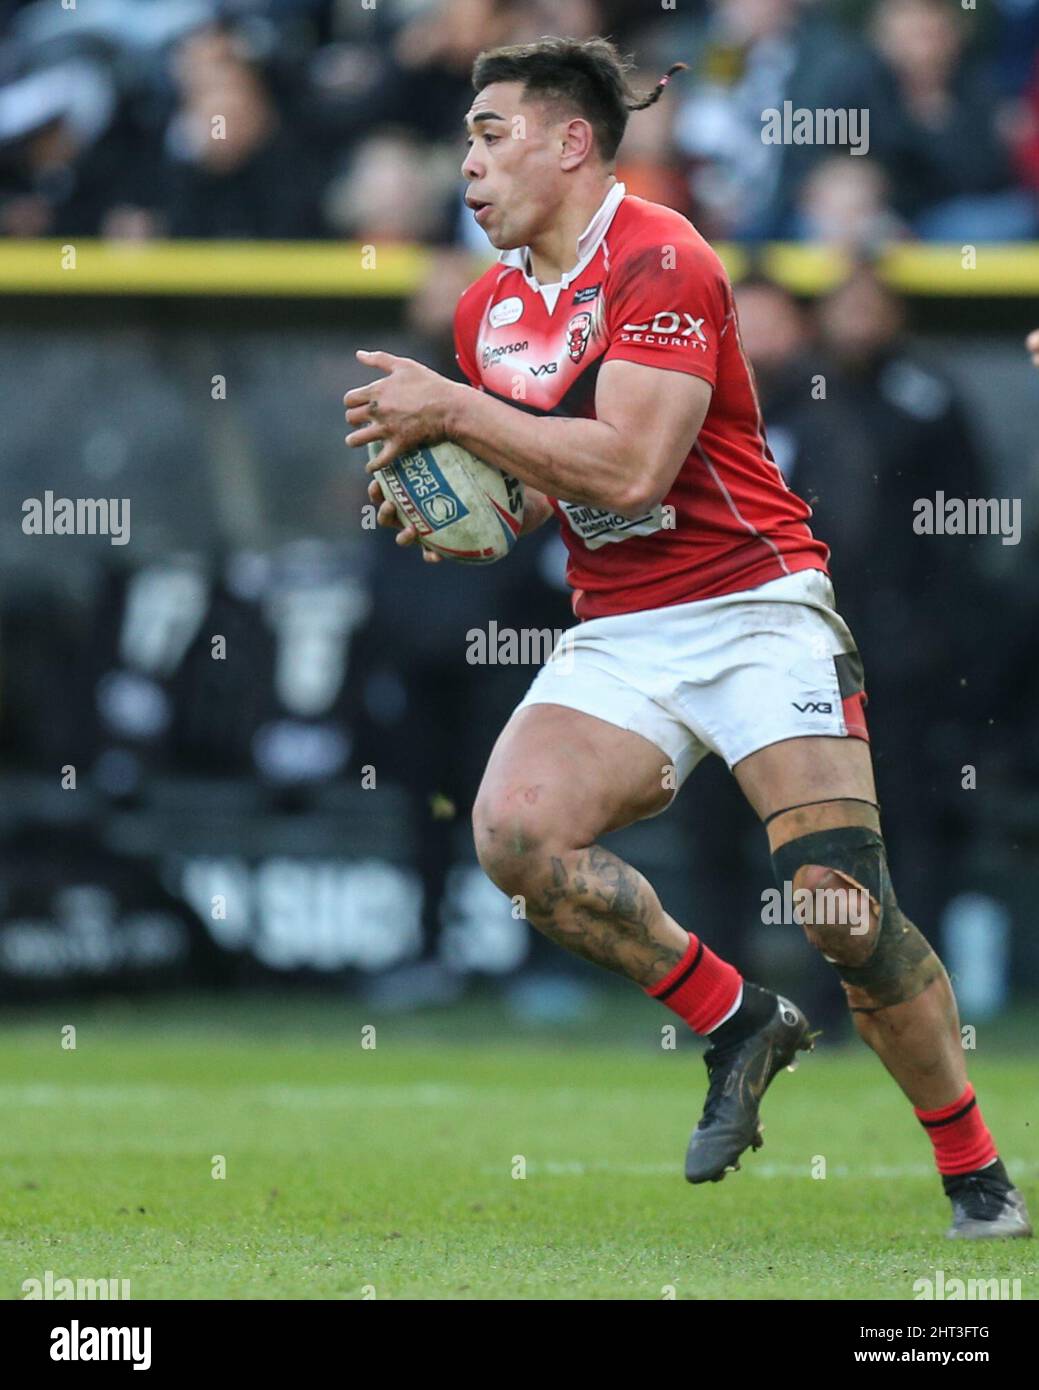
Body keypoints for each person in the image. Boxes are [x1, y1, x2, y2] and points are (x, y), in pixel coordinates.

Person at [345, 36, 1031, 1239]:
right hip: (622, 625)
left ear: (570, 142)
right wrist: (457, 506)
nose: (466, 164)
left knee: (839, 910)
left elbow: (634, 460)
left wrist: (454, 411)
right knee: (512, 835)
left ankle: (976, 1169)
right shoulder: (487, 308)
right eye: (462, 138)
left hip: (755, 605)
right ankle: (736, 1021)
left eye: (489, 134)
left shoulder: (664, 254)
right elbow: (550, 484)